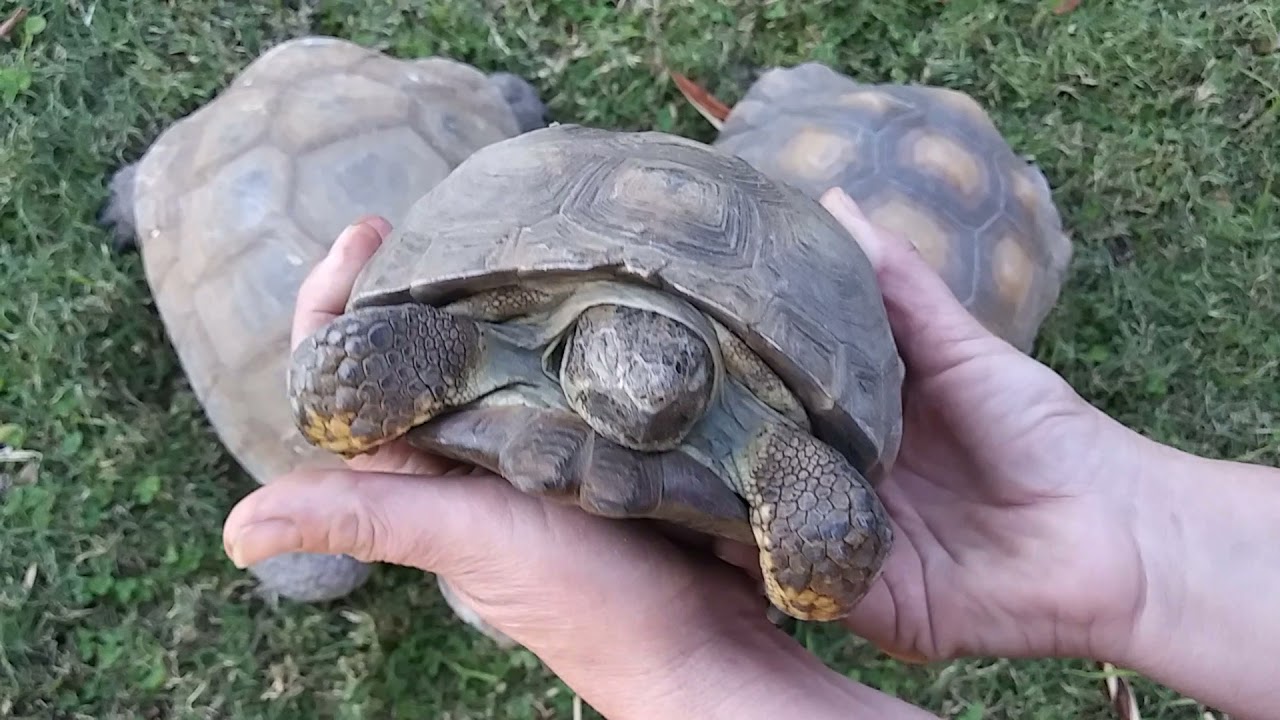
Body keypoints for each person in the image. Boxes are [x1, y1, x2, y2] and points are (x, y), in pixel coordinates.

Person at [221, 188, 1280, 720]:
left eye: (679, 392)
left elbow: (827, 523)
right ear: (575, 344)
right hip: (512, 345)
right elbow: (348, 367)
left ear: (707, 379)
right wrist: (1145, 555)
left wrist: (703, 679)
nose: (643, 414)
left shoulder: (770, 439)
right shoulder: (468, 324)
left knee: (824, 550)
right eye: (616, 386)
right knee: (342, 375)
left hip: (738, 416)